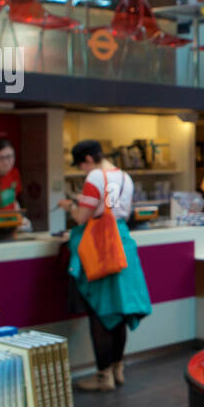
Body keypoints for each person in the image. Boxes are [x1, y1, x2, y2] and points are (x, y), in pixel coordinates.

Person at [58, 140, 153, 392]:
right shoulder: (125, 177)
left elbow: (82, 217)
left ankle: (103, 376)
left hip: (101, 248)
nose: (81, 169)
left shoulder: (94, 177)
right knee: (118, 312)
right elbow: (125, 211)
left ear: (88, 159)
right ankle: (117, 369)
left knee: (100, 313)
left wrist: (70, 206)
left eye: (80, 163)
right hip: (123, 244)